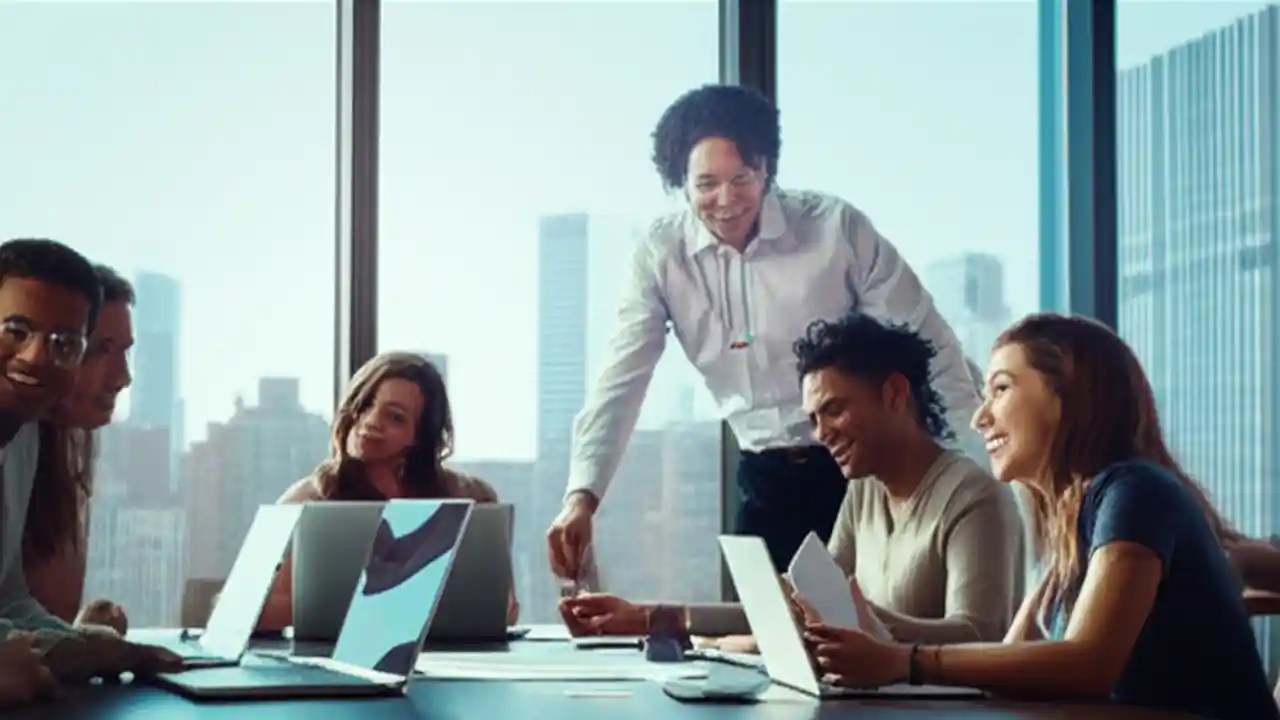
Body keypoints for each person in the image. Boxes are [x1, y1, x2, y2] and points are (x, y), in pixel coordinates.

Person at [547, 84, 982, 582]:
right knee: (766, 640)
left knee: (869, 637)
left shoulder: (835, 229)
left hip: (861, 471)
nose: (727, 200)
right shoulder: (661, 256)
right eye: (706, 184)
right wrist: (581, 496)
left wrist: (980, 476)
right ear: (680, 183)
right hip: (763, 481)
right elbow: (620, 382)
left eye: (743, 178)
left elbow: (929, 346)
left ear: (767, 169)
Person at [800, 314, 1276, 720]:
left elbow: (1087, 664)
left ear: (1069, 396)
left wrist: (903, 661)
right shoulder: (1078, 519)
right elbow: (1009, 660)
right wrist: (886, 647)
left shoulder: (1135, 492)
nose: (980, 417)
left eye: (1001, 388)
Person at [560, 314, 1022, 645]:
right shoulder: (864, 492)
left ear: (895, 393)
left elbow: (979, 635)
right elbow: (798, 607)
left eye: (835, 409)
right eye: (814, 419)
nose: (822, 434)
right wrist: (649, 617)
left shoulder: (974, 497)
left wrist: (868, 624)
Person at [0, 239, 179, 684]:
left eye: (64, 343)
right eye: (15, 330)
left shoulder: (24, 440)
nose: (36, 356)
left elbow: (11, 600)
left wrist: (96, 649)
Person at [257, 352, 517, 630]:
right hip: (330, 665)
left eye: (395, 417)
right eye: (366, 404)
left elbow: (506, 610)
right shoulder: (305, 501)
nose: (372, 421)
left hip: (445, 663)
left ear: (420, 438)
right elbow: (250, 614)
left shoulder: (471, 499)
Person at [24, 264, 134, 633]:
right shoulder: (17, 447)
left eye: (125, 352)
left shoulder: (71, 447)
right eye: (103, 350)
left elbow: (35, 614)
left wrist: (80, 633)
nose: (122, 377)